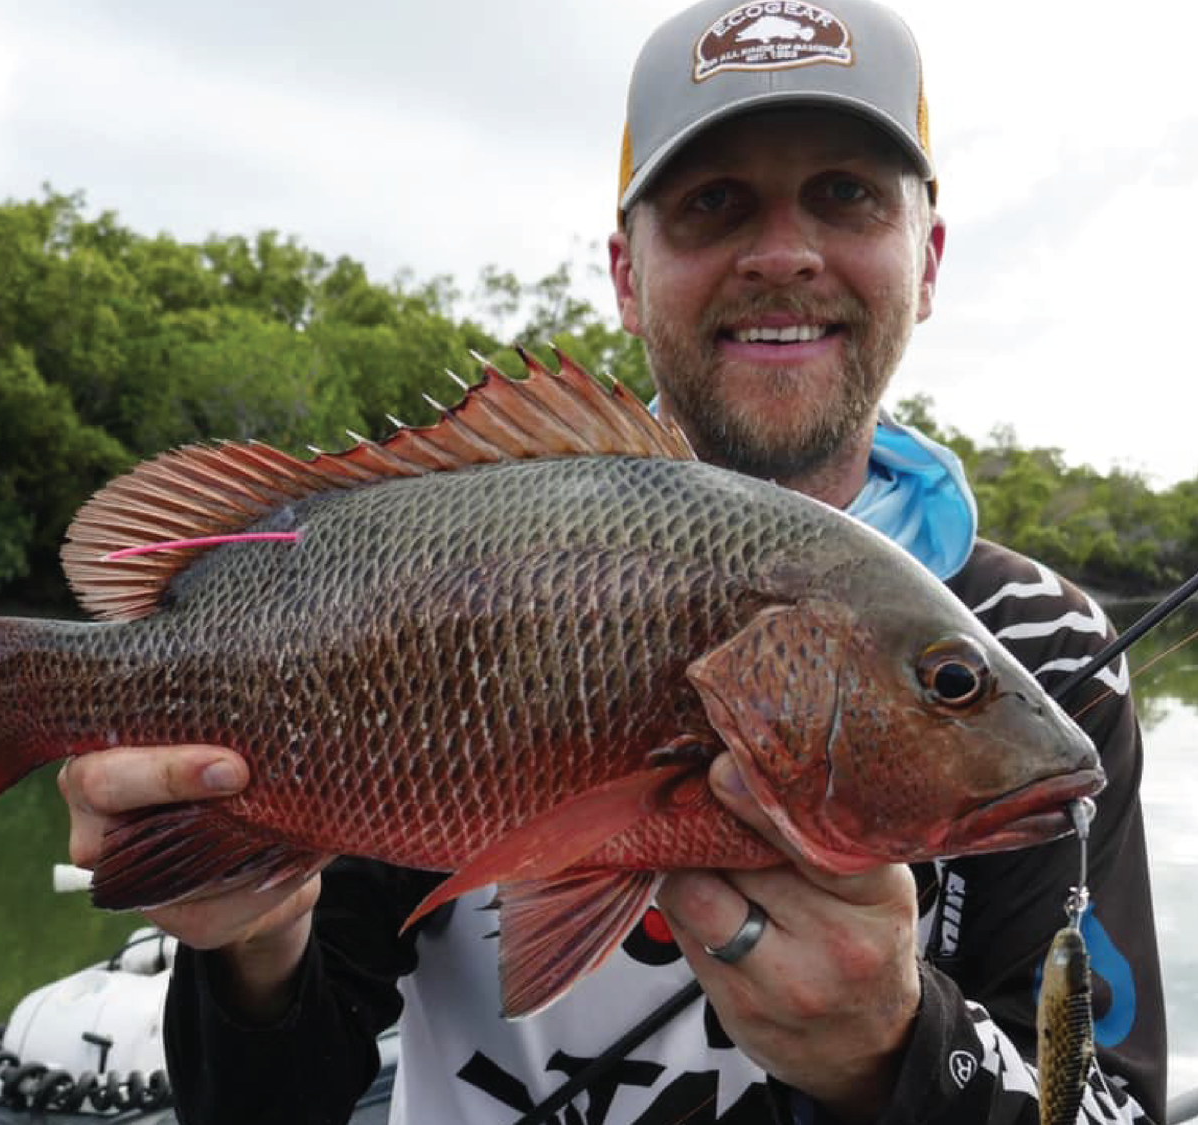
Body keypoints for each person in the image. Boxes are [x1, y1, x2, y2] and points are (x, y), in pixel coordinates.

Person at [59, 1, 1167, 1121]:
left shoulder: (1050, 649)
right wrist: (249, 942)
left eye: (846, 194)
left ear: (924, 259)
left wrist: (898, 1049)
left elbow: (1107, 1100)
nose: (783, 253)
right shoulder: (460, 564)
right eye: (712, 203)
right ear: (627, 276)